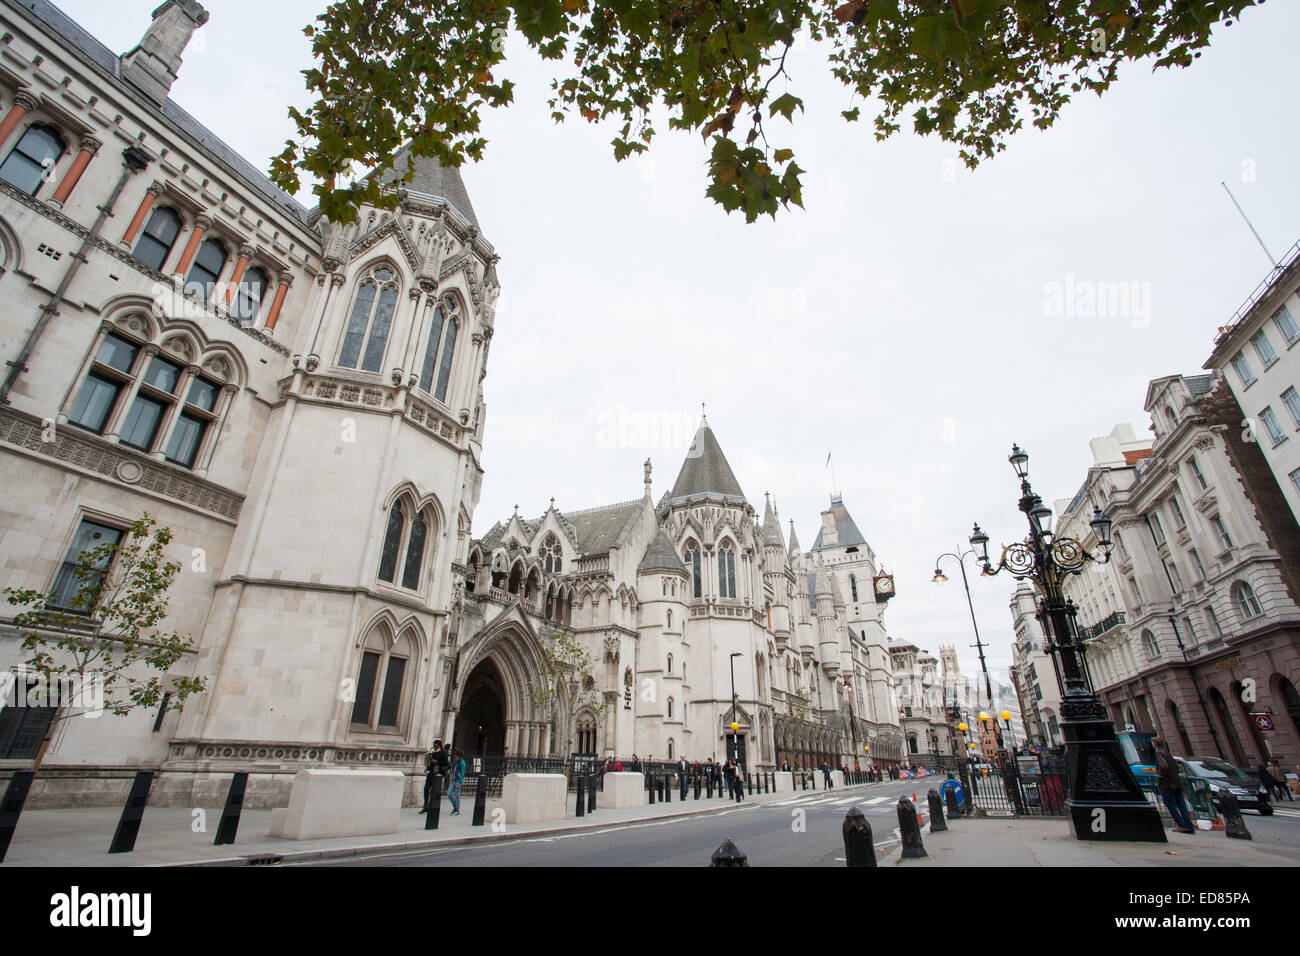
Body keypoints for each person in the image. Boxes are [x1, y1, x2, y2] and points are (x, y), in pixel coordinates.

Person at [1154, 738, 1195, 834]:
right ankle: (1189, 826)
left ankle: (1181, 824)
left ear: (1155, 744)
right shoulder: (1168, 753)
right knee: (1181, 805)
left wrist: (1160, 776)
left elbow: (1163, 767)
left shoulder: (1159, 753)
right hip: (1176, 782)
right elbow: (1176, 767)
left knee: (1169, 803)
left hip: (1167, 784)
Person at [448, 749, 466, 816]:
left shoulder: (462, 763)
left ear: (459, 756)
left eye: (456, 756)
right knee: (449, 793)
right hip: (453, 781)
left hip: (458, 781)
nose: (455, 757)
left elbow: (462, 774)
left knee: (457, 795)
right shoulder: (455, 762)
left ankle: (457, 809)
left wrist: (459, 782)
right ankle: (455, 806)